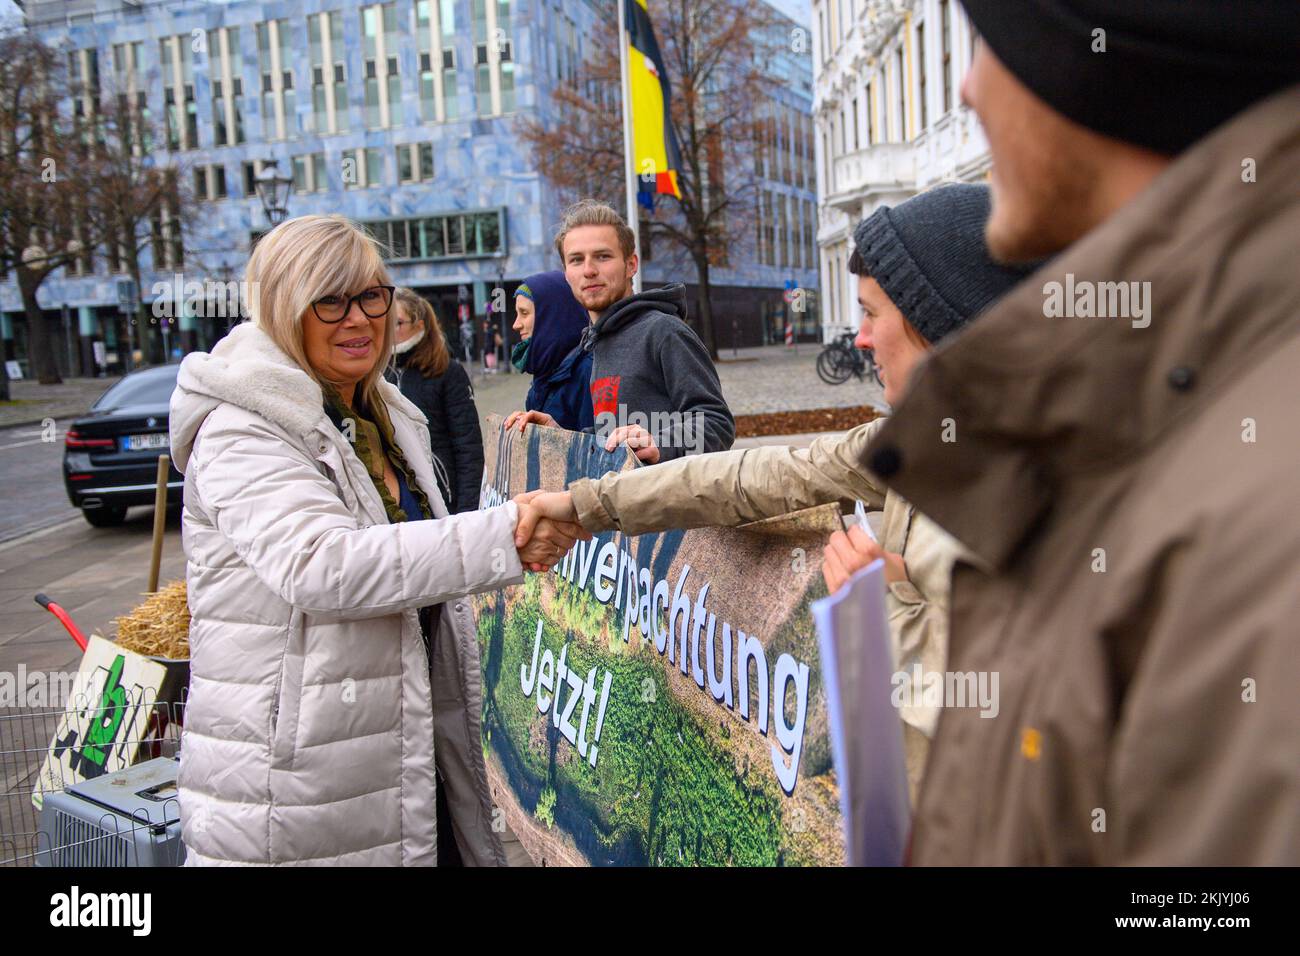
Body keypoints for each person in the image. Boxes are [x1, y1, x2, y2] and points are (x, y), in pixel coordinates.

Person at [854, 4, 1299, 864]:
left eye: (991, 41)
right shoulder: (1137, 391)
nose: (968, 88)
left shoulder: (1256, 507)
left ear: (1099, 58)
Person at [518, 185, 1032, 801]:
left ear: (935, 322)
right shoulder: (916, 434)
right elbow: (757, 477)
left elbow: (1036, 713)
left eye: (871, 314)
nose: (859, 340)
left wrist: (886, 609)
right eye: (575, 260)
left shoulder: (1055, 474)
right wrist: (586, 504)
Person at [168, 214, 589, 866]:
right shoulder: (241, 426)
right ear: (284, 309)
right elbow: (324, 566)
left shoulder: (384, 414)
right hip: (303, 789)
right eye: (330, 300)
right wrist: (505, 535)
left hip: (408, 751)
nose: (359, 318)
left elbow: (418, 559)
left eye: (372, 295)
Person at [508, 199, 734, 463]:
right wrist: (562, 435)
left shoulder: (664, 332)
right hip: (620, 501)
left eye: (603, 257)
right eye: (576, 260)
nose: (589, 270)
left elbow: (717, 423)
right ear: (567, 274)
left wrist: (658, 443)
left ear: (631, 264)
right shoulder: (595, 342)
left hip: (668, 502)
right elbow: (613, 440)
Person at [384, 288, 483, 514]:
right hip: (398, 498)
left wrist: (468, 512)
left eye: (397, 323)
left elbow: (468, 446)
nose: (387, 331)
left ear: (419, 325)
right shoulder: (379, 374)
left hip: (442, 492)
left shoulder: (448, 372)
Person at [505, 270, 594, 431]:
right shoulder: (547, 368)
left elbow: (594, 448)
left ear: (551, 316)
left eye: (524, 313)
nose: (516, 324)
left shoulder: (587, 371)